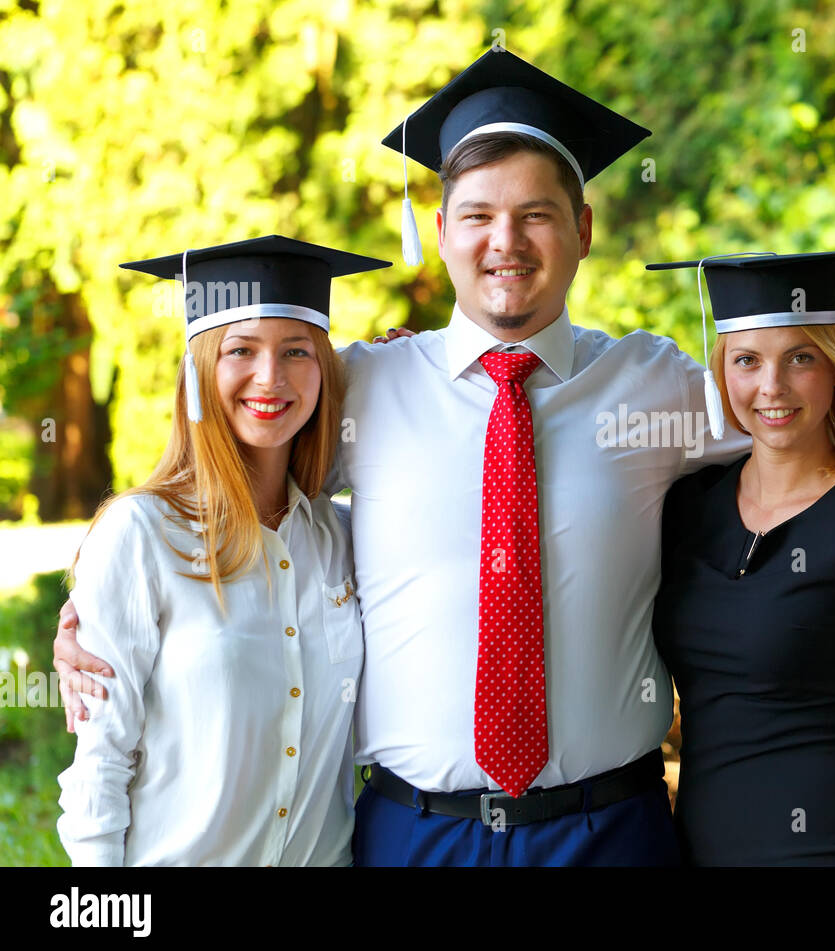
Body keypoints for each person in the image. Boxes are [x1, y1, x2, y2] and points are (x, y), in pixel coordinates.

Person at [56, 49, 757, 866]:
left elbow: (814, 436)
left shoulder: (654, 385)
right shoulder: (360, 386)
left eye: (536, 214)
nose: (507, 242)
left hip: (605, 830)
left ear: (584, 230)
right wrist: (98, 601)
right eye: (478, 216)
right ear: (440, 232)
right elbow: (223, 469)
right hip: (415, 834)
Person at [55, 236, 389, 865]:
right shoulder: (141, 534)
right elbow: (100, 768)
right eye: (241, 350)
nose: (271, 377)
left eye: (297, 351)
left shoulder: (344, 540)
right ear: (199, 371)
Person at [647, 250, 835, 865]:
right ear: (723, 373)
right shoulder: (686, 507)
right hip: (697, 846)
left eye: (800, 358)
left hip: (830, 848)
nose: (772, 387)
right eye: (747, 361)